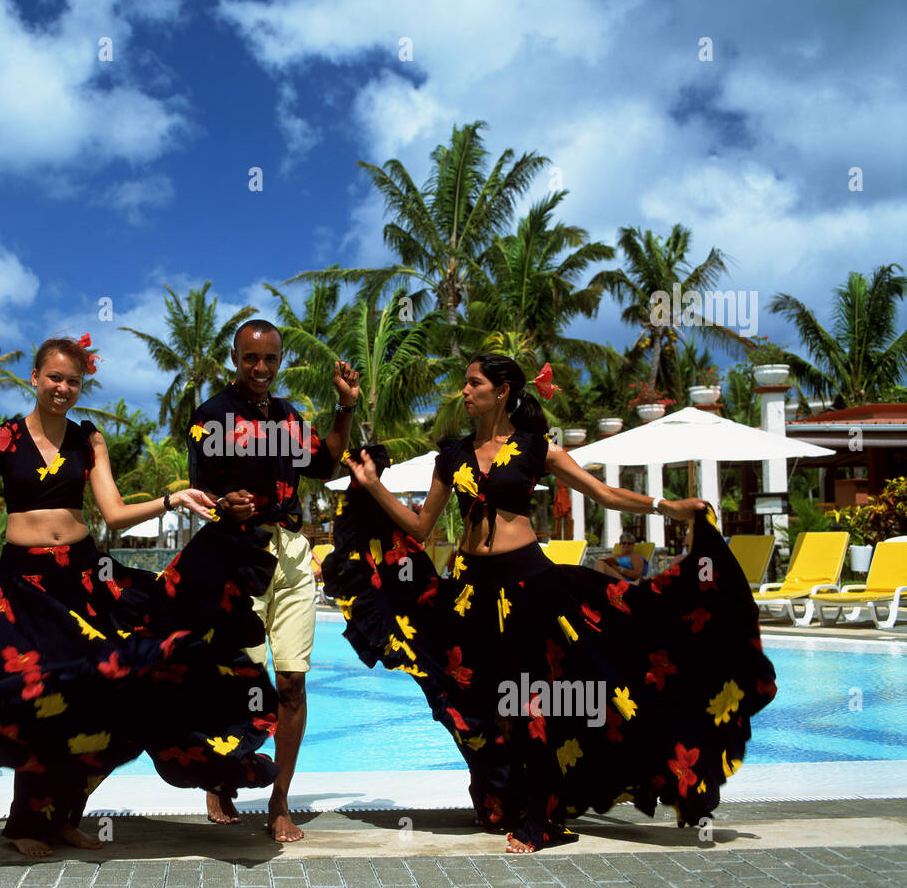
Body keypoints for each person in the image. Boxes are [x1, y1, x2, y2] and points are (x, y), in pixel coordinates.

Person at [0, 335, 282, 858]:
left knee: (102, 699)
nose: (63, 388)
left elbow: (113, 513)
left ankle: (65, 818)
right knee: (38, 707)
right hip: (22, 592)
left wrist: (172, 498)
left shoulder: (89, 440)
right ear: (35, 377)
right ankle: (26, 825)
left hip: (86, 583)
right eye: (55, 378)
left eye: (73, 381)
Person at [326, 353, 777, 854]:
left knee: (531, 701)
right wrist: (371, 486)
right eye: (465, 384)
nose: (465, 392)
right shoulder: (450, 455)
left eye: (473, 383)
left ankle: (539, 820)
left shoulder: (536, 448)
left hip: (531, 588)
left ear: (501, 392)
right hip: (472, 593)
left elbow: (602, 493)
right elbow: (418, 527)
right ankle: (506, 798)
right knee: (481, 703)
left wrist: (667, 507)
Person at [188, 319, 360, 842]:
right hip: (237, 555)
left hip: (290, 553)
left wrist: (346, 406)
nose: (261, 369)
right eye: (250, 359)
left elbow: (327, 464)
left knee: (291, 680)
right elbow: (201, 494)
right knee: (240, 681)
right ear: (234, 358)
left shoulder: (288, 417)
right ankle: (222, 775)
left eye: (270, 360)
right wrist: (225, 506)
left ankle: (279, 798)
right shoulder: (210, 417)